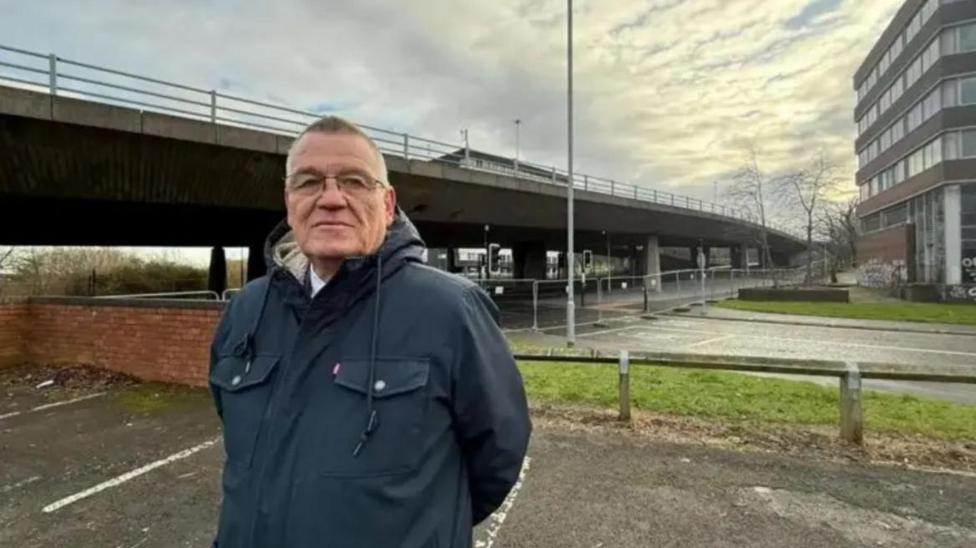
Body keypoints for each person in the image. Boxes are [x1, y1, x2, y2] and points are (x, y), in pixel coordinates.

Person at [209, 116, 531, 548]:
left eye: (354, 181)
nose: (331, 199)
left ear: (387, 203)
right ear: (289, 202)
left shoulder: (451, 310)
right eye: (308, 183)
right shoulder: (247, 309)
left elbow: (497, 456)